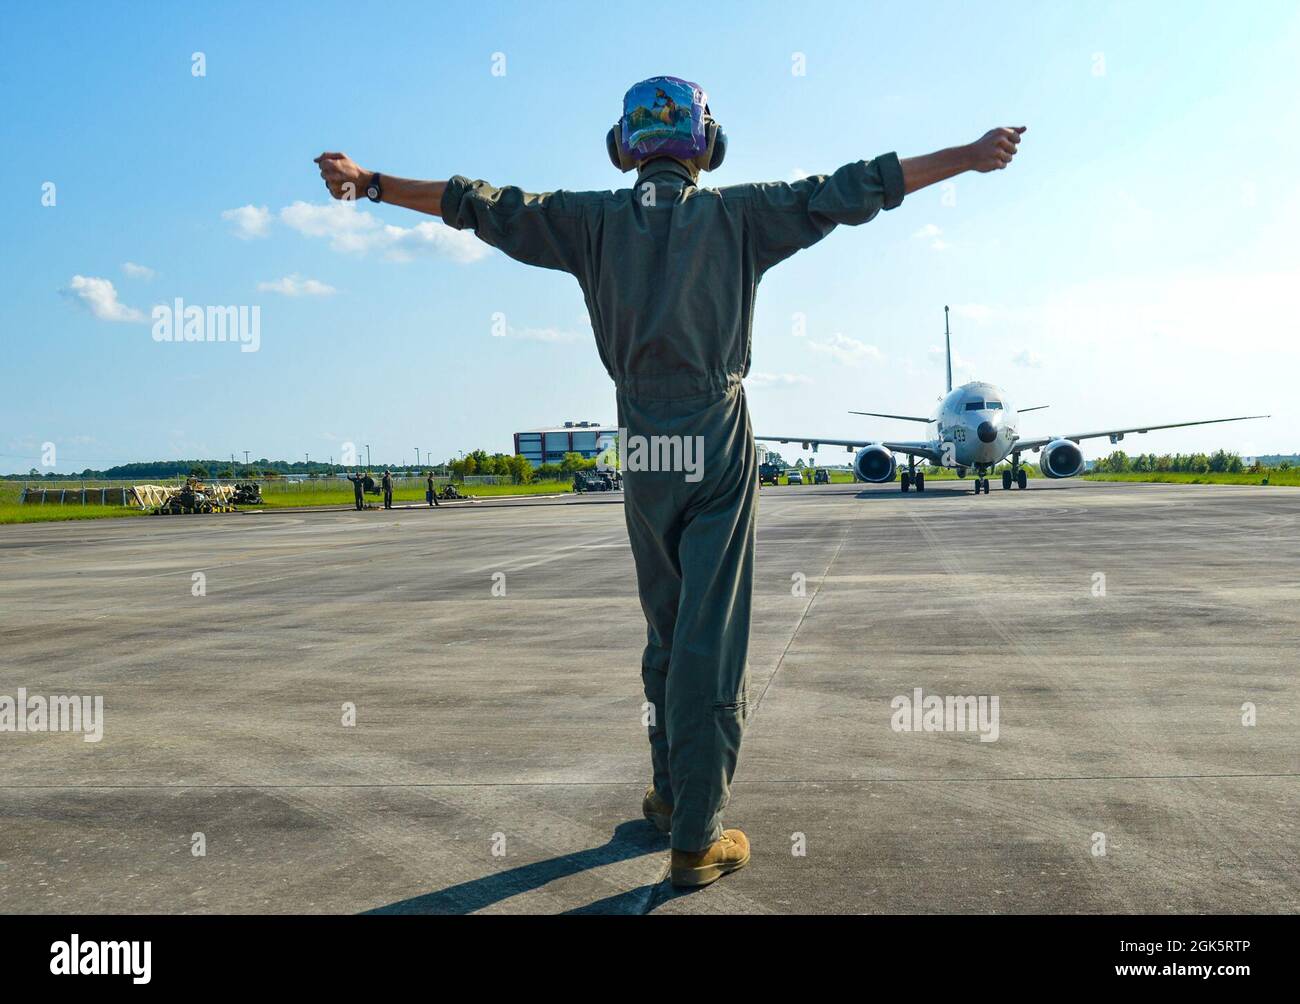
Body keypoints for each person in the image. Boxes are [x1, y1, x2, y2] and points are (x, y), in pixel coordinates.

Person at [315, 76, 1024, 888]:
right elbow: (859, 186)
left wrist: (369, 183)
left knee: (665, 625)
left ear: (624, 148)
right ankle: (697, 835)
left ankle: (666, 790)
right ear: (706, 146)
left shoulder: (585, 220)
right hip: (714, 433)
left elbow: (476, 203)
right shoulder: (741, 214)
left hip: (641, 438)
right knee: (708, 641)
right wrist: (967, 158)